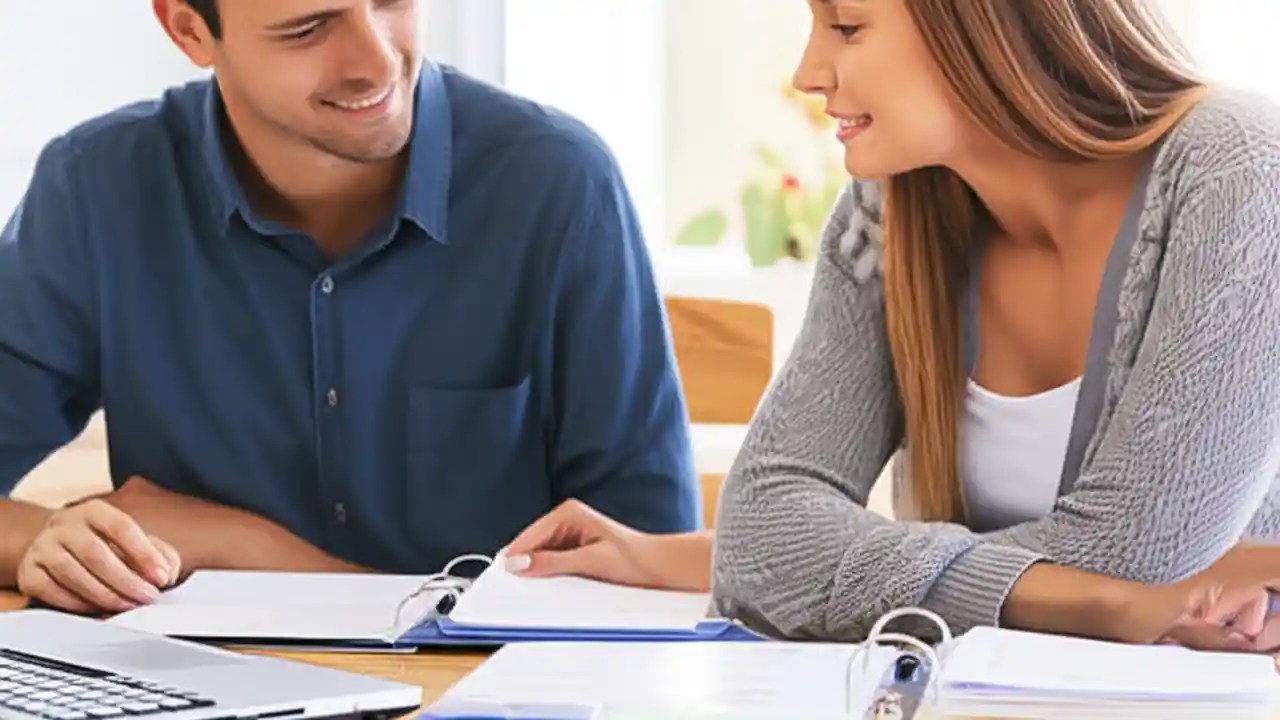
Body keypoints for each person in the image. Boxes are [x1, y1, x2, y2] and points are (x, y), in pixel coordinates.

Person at [502, 0, 1280, 654]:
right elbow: (765, 524)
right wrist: (726, 556)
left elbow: (1132, 564)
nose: (808, 72)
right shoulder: (889, 214)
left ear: (979, 24)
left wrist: (787, 564)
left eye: (846, 28)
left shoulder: (1243, 173)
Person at [0, 0, 700, 615]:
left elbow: (647, 584)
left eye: (392, 0)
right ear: (190, 30)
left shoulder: (557, 184)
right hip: (195, 688)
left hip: (485, 695)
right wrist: (46, 541)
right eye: (307, 29)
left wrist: (251, 548)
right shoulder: (97, 186)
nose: (375, 60)